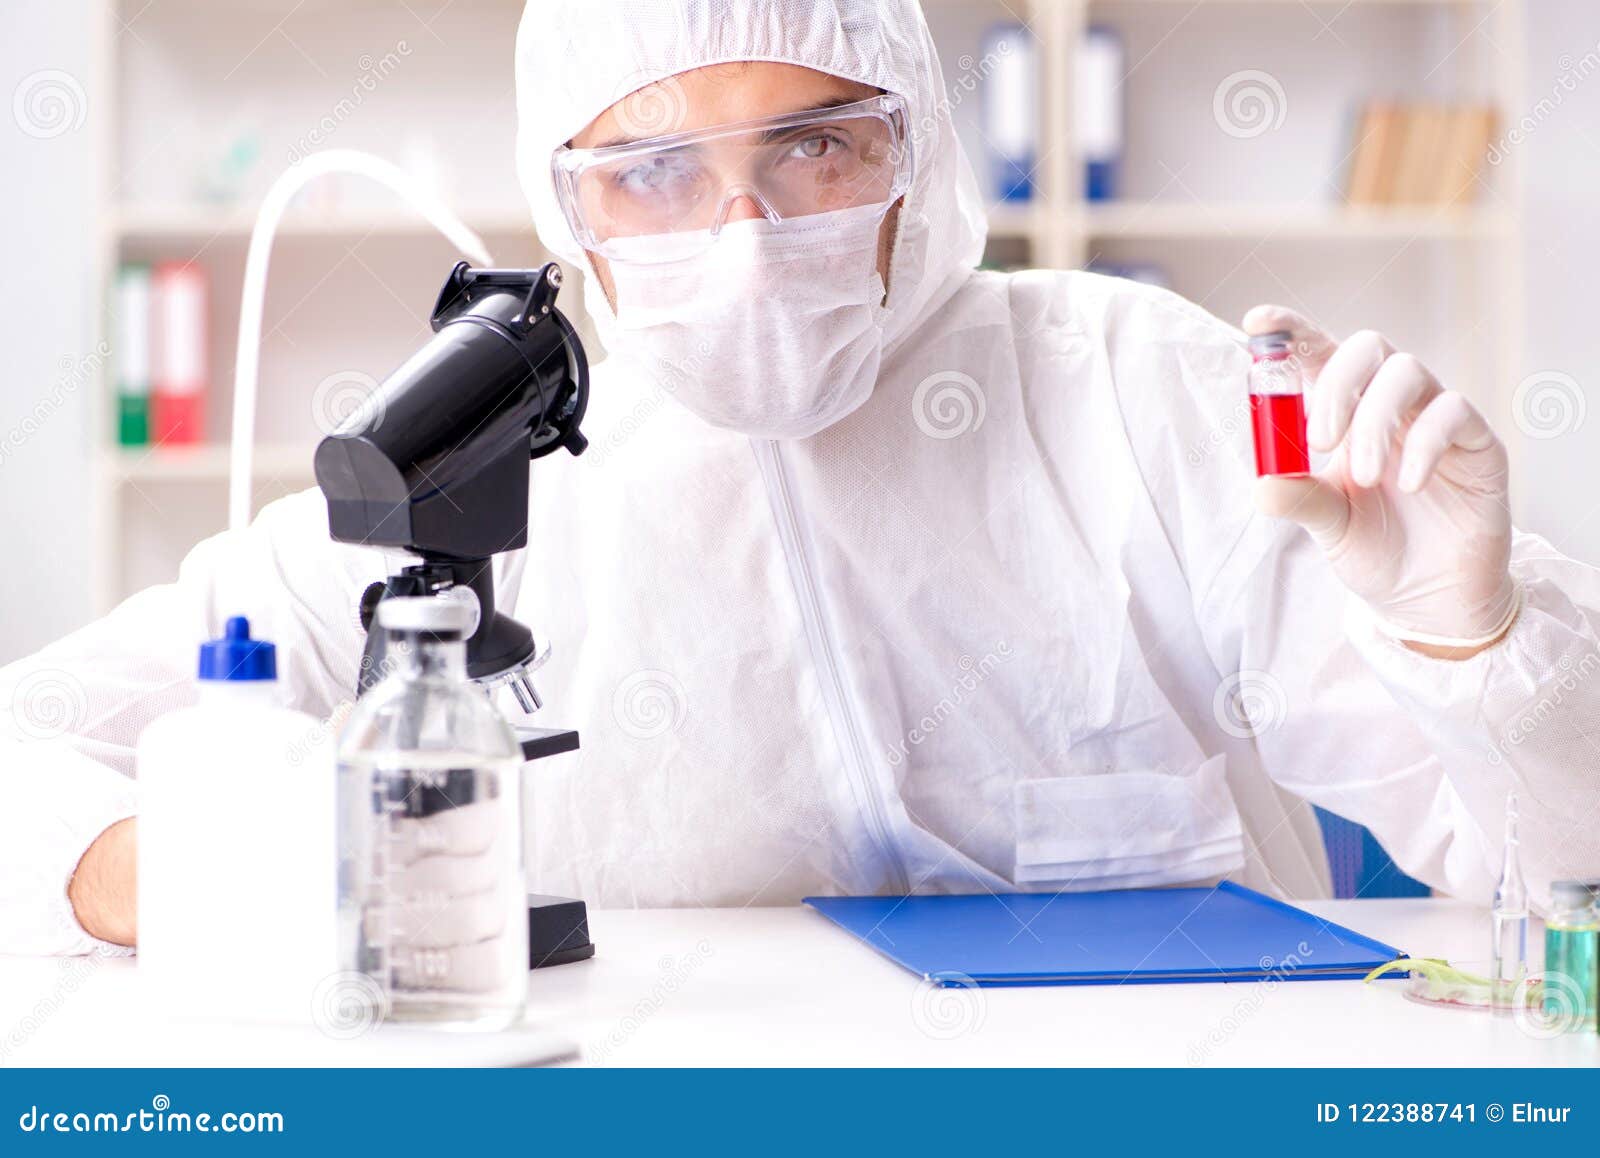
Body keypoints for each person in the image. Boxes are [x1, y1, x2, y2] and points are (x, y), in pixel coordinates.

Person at [5, 0, 1599, 957]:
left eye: (814, 150)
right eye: (652, 173)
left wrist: (1472, 641)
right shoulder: (469, 500)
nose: (747, 239)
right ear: (566, 213)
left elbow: (1555, 873)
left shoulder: (1129, 388)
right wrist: (214, 872)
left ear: (915, 151)